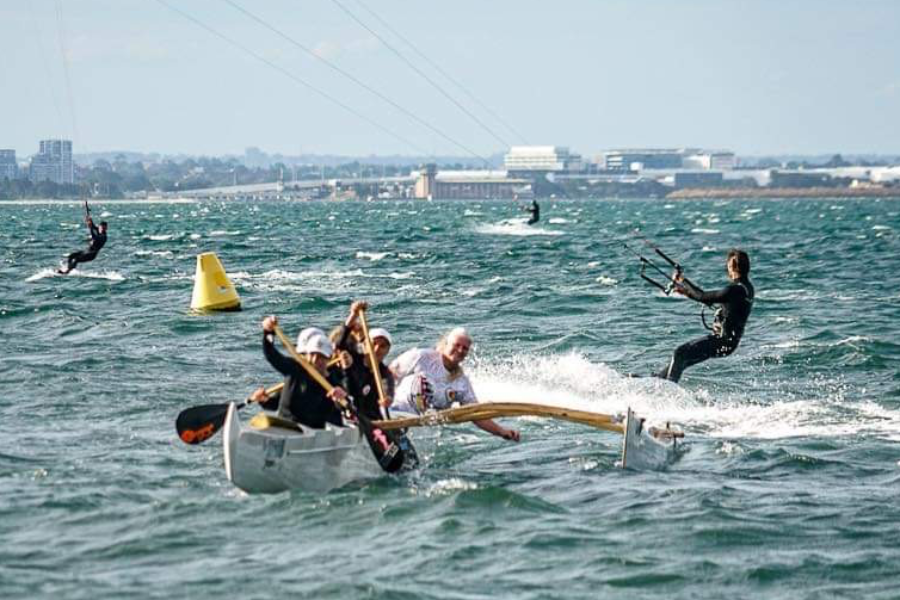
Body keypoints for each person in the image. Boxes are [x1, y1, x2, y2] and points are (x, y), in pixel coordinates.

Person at [390, 327, 520, 442]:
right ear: (446, 344)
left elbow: (476, 415)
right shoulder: (421, 357)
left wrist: (502, 431)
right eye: (456, 345)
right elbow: (389, 375)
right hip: (392, 413)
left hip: (416, 428)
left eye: (465, 348)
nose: (460, 350)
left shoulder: (462, 384)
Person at [656, 249, 755, 383]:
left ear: (732, 267)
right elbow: (710, 299)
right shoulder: (747, 288)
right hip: (728, 343)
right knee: (682, 361)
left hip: (721, 341)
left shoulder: (734, 289)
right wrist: (686, 292)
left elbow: (703, 296)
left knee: (679, 353)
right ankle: (656, 380)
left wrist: (682, 280)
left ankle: (667, 393)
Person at [251, 315, 348, 428]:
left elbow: (344, 407)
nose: (316, 360)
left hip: (314, 431)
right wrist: (268, 332)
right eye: (312, 354)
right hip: (286, 425)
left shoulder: (333, 381)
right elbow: (271, 355)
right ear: (306, 355)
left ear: (329, 358)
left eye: (321, 356)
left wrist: (342, 398)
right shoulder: (295, 369)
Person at [330, 300, 395, 421]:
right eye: (373, 343)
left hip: (371, 418)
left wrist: (387, 398)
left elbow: (388, 389)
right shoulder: (354, 358)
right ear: (365, 344)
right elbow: (338, 344)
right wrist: (353, 314)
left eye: (383, 346)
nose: (377, 349)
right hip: (346, 410)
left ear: (388, 350)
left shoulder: (384, 373)